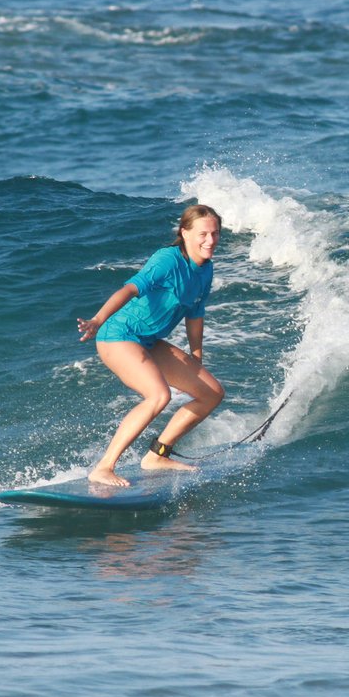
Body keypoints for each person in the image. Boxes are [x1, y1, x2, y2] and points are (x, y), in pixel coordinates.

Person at [76, 205, 226, 488]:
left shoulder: (206, 269)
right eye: (203, 234)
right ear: (185, 233)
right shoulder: (167, 260)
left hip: (149, 341)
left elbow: (195, 314)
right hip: (119, 335)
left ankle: (157, 455)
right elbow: (130, 289)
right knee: (158, 395)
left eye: (215, 233)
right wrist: (97, 319)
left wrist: (196, 357)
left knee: (211, 393)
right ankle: (104, 468)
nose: (211, 240)